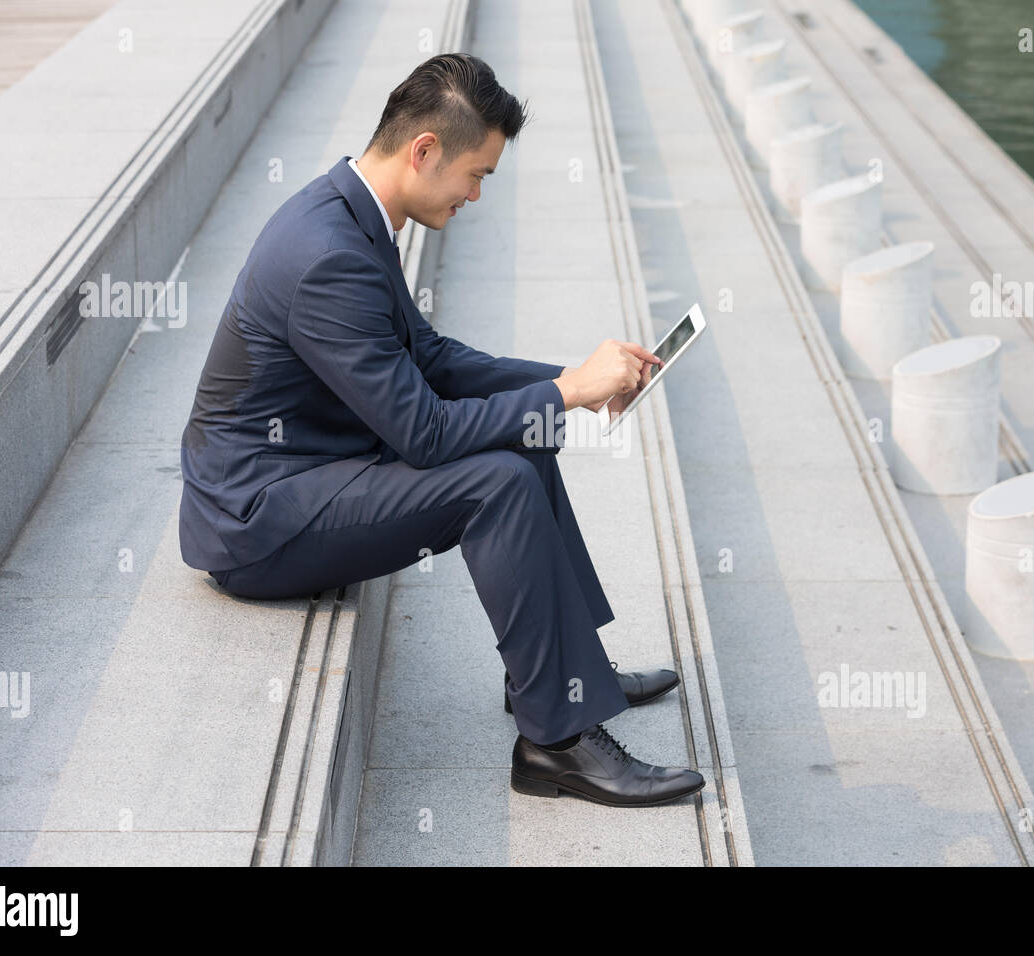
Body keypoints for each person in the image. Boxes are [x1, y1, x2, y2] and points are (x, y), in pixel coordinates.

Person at [177, 53, 705, 808]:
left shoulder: (351, 213)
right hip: (258, 517)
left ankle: (566, 671)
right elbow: (423, 433)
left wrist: (573, 383)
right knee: (498, 478)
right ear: (425, 150)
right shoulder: (327, 254)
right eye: (477, 174)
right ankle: (555, 743)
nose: (478, 194)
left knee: (523, 432)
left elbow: (429, 358)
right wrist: (565, 390)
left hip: (309, 468)